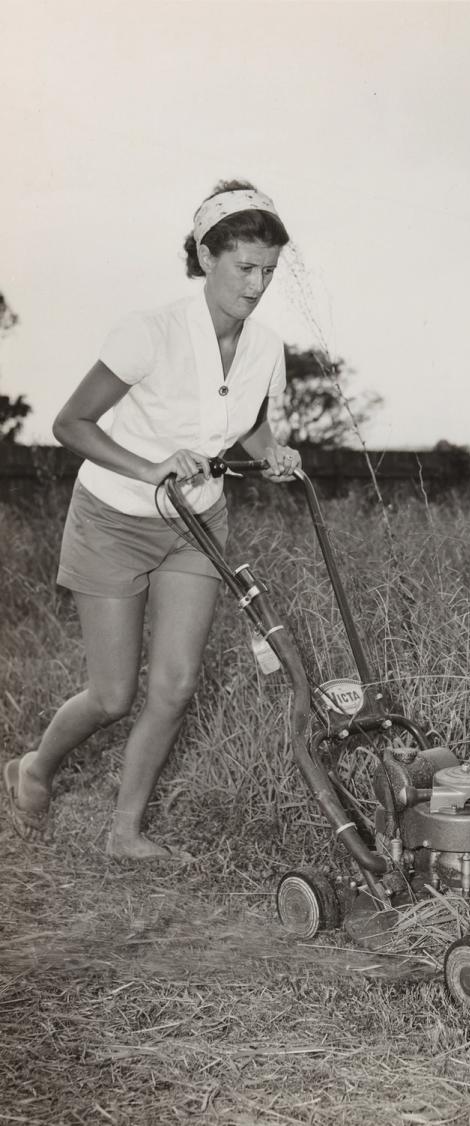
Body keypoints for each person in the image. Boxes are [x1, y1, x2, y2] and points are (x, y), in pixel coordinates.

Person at [4, 179, 303, 860]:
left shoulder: (265, 349)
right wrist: (150, 468)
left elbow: (249, 426)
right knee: (111, 695)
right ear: (206, 256)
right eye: (244, 268)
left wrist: (274, 453)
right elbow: (70, 424)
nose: (256, 286)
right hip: (113, 517)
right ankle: (33, 769)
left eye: (268, 271)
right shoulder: (151, 330)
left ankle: (124, 832)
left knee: (175, 684)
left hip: (195, 525)